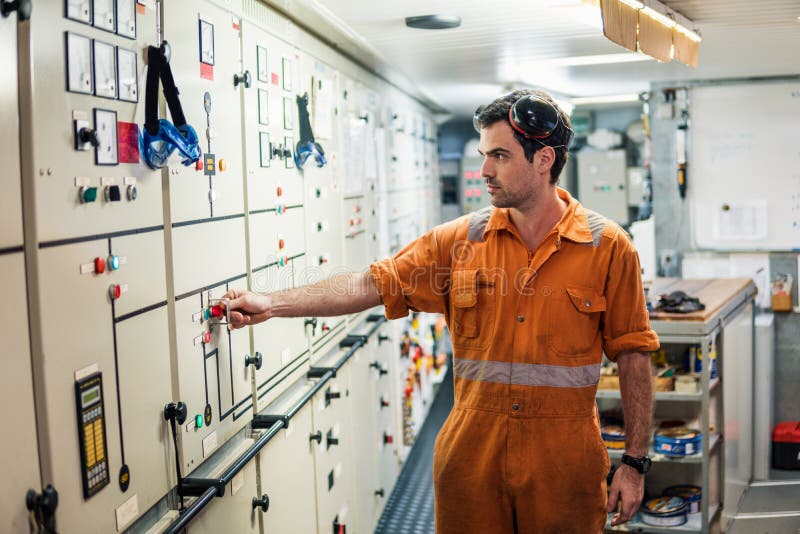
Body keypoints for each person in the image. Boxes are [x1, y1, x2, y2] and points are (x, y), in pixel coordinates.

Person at [222, 89, 659, 532]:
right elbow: (374, 283)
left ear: (544, 160)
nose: (484, 170)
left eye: (500, 156)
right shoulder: (459, 242)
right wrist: (273, 303)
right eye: (484, 154)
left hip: (564, 466)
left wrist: (635, 462)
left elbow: (634, 356)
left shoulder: (608, 248)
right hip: (472, 462)